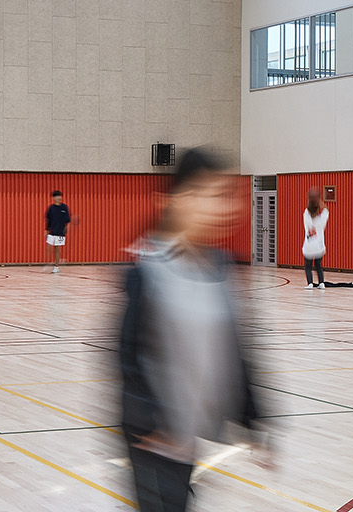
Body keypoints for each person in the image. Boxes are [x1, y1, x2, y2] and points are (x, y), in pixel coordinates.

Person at [117, 147, 266, 512]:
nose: (227, 207)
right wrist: (148, 422)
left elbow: (236, 348)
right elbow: (127, 355)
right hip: (153, 440)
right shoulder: (149, 269)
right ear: (183, 199)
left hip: (188, 437)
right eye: (216, 196)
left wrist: (252, 418)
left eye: (229, 196)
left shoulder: (221, 266)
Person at [300, 187, 328, 289]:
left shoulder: (306, 217)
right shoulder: (321, 219)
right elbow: (326, 209)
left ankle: (310, 283)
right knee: (318, 266)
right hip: (319, 247)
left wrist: (311, 201)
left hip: (308, 247)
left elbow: (308, 209)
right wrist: (319, 201)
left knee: (308, 267)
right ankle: (321, 283)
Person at [46, 190, 72, 273]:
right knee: (49, 247)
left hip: (60, 232)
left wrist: (66, 228)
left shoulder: (64, 207)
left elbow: (68, 219)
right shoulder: (51, 208)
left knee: (57, 248)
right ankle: (51, 262)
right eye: (57, 196)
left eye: (60, 196)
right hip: (52, 231)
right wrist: (46, 230)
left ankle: (56, 266)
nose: (59, 197)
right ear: (54, 198)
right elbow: (48, 220)